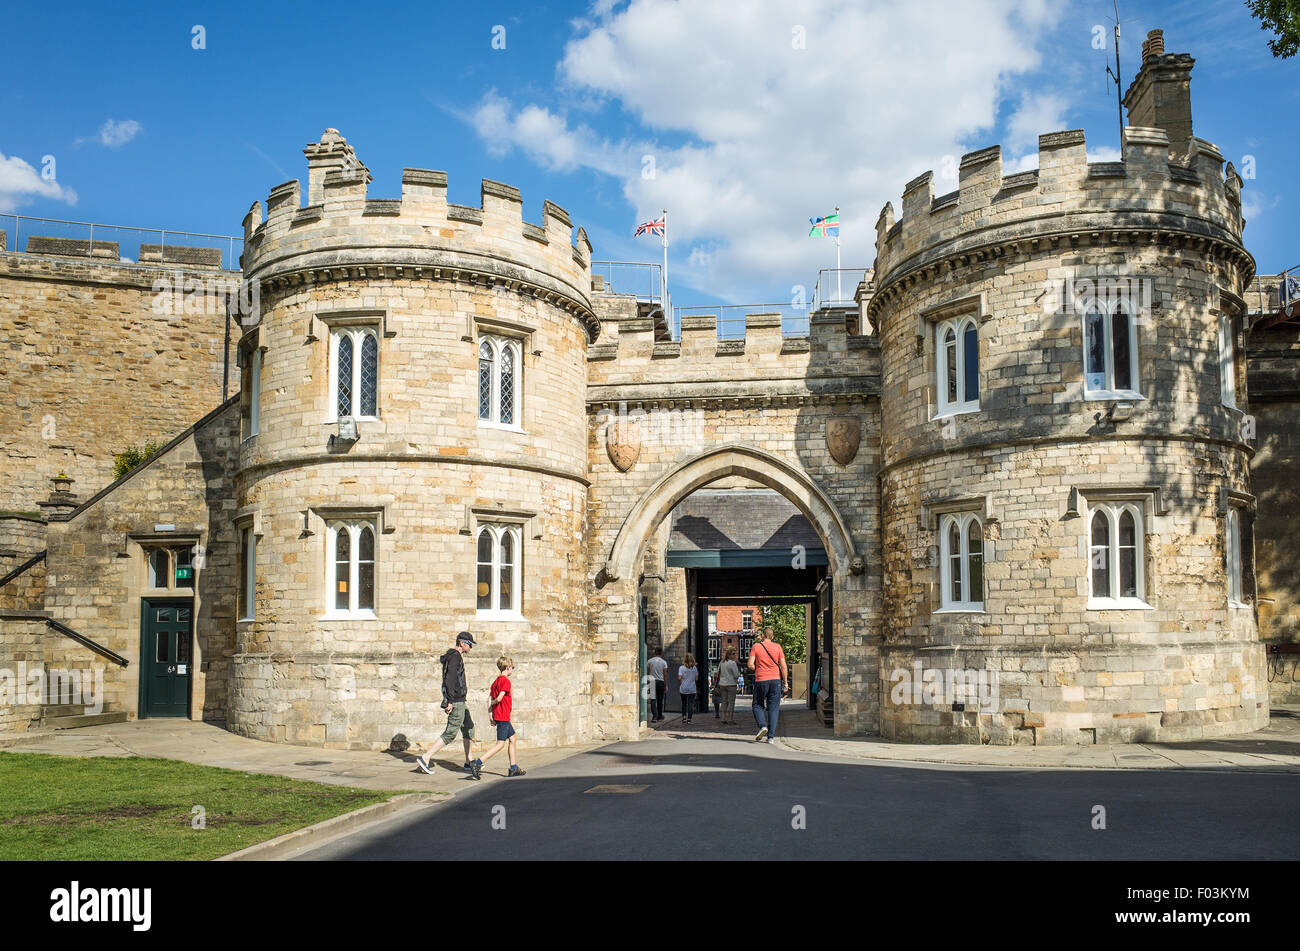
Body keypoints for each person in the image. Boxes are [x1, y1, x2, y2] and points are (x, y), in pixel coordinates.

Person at [414, 631, 480, 777]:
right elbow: (449, 680)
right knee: (450, 733)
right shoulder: (455, 657)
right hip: (456, 700)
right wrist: (449, 700)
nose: (471, 647)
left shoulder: (454, 656)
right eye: (470, 644)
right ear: (462, 643)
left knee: (468, 727)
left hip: (460, 699)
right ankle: (425, 758)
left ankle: (469, 760)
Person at [477, 656, 525, 777]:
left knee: (513, 738)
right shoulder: (505, 681)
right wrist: (491, 704)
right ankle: (477, 762)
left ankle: (513, 767)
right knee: (500, 744)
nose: (512, 670)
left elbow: (490, 697)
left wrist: (490, 715)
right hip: (503, 716)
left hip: (500, 716)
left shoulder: (495, 682)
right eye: (512, 668)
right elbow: (497, 699)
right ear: (507, 667)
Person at [747, 627, 788, 743]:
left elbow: (750, 664)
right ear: (772, 637)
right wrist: (785, 682)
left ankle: (762, 726)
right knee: (774, 708)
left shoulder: (756, 646)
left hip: (761, 679)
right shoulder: (778, 647)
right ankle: (771, 737)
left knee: (757, 705)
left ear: (763, 636)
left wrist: (758, 668)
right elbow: (783, 666)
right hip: (775, 680)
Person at [717, 648, 740, 725]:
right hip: (731, 684)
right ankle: (730, 719)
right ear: (729, 655)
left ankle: (723, 718)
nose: (734, 655)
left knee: (724, 701)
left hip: (722, 684)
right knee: (731, 702)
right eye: (733, 654)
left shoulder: (721, 662)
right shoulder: (732, 663)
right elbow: (736, 675)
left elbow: (718, 673)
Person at [646, 646, 668, 722]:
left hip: (652, 681)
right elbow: (665, 674)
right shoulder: (664, 662)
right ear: (661, 653)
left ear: (654, 652)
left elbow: (648, 672)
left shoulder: (649, 661)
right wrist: (666, 685)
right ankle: (659, 715)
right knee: (660, 700)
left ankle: (654, 716)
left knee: (653, 700)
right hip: (661, 682)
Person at [678, 653, 699, 723]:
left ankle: (684, 717)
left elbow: (679, 677)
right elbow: (696, 678)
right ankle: (689, 719)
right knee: (690, 704)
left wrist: (682, 682)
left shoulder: (681, 668)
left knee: (684, 703)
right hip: (692, 688)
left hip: (683, 688)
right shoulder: (694, 668)